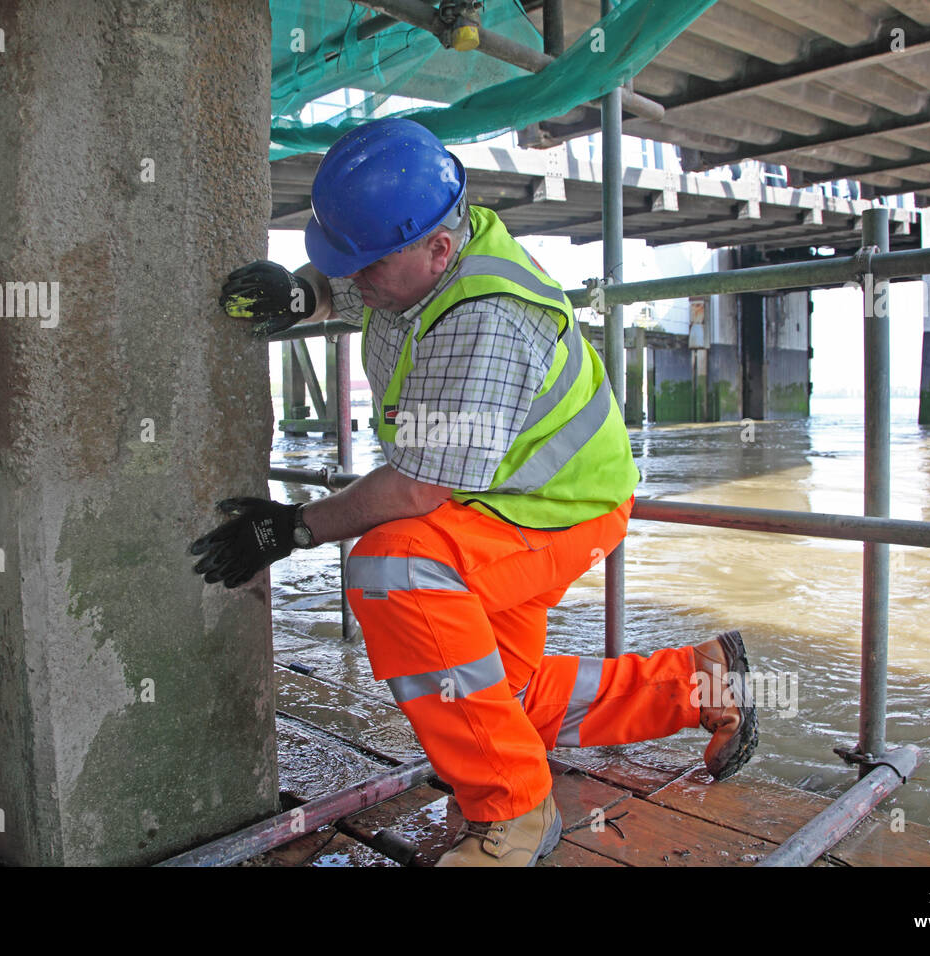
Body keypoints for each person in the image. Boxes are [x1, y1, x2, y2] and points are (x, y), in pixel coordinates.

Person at [192, 117, 757, 867]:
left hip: (555, 508)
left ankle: (516, 810)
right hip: (503, 497)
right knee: (496, 701)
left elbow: (419, 489)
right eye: (342, 261)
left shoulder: (483, 317)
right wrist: (303, 297)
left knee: (393, 570)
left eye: (365, 263)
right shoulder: (425, 256)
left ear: (440, 249)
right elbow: (370, 292)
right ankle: (699, 685)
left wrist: (293, 528)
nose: (354, 279)